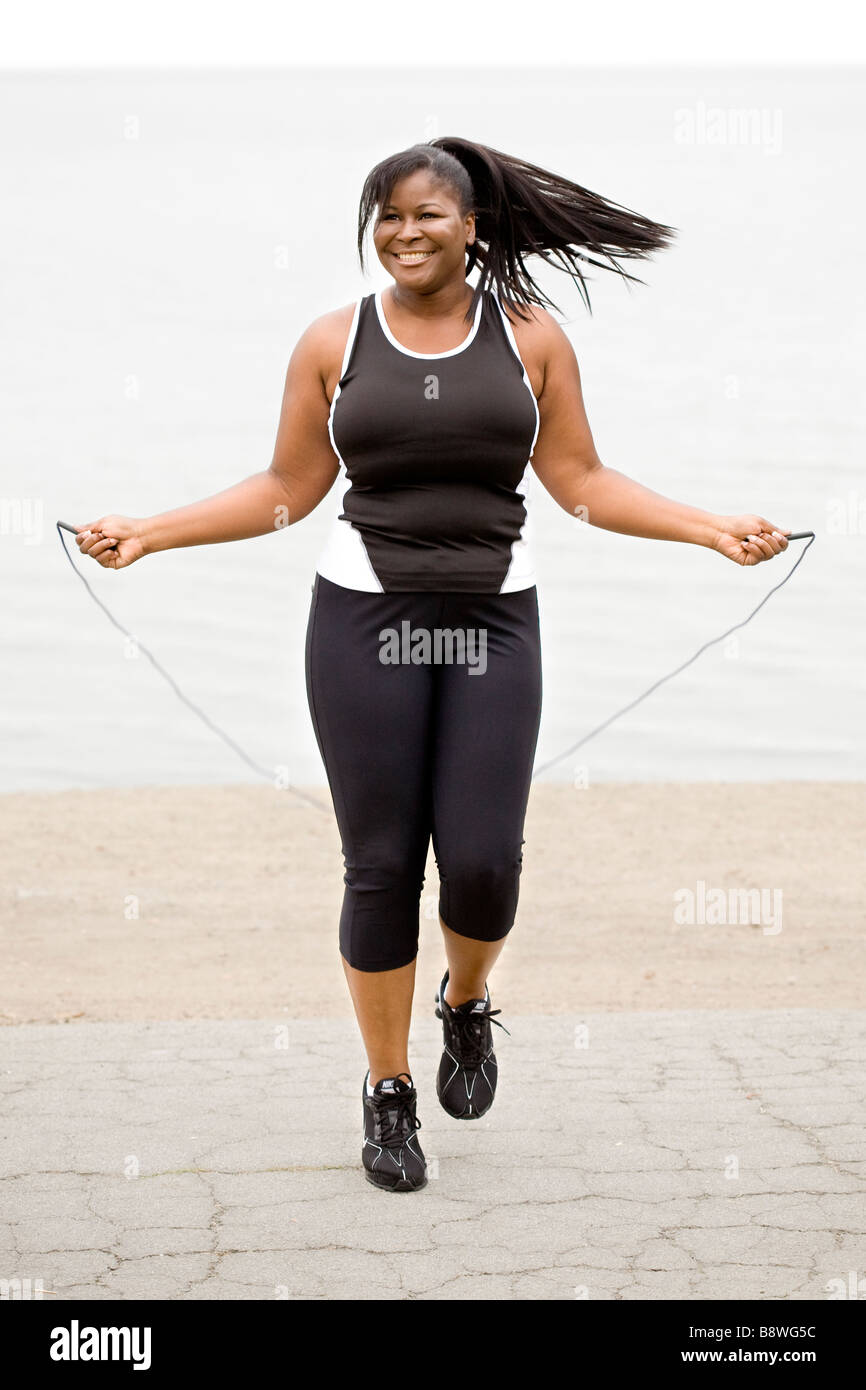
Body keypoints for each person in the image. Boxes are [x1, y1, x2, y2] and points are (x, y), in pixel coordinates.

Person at [75, 136, 790, 1194]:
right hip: (363, 618)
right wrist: (152, 529)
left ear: (473, 228)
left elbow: (582, 479)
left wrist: (705, 526)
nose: (402, 233)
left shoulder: (530, 337)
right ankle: (388, 1090)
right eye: (385, 216)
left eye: (424, 215)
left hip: (493, 623)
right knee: (379, 865)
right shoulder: (333, 341)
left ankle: (464, 1004)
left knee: (485, 861)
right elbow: (285, 484)